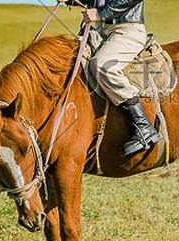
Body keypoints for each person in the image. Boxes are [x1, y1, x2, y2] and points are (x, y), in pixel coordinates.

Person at [62, 0, 159, 156]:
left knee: (102, 66)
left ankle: (143, 126)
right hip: (101, 31)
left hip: (128, 30)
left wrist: (100, 13)